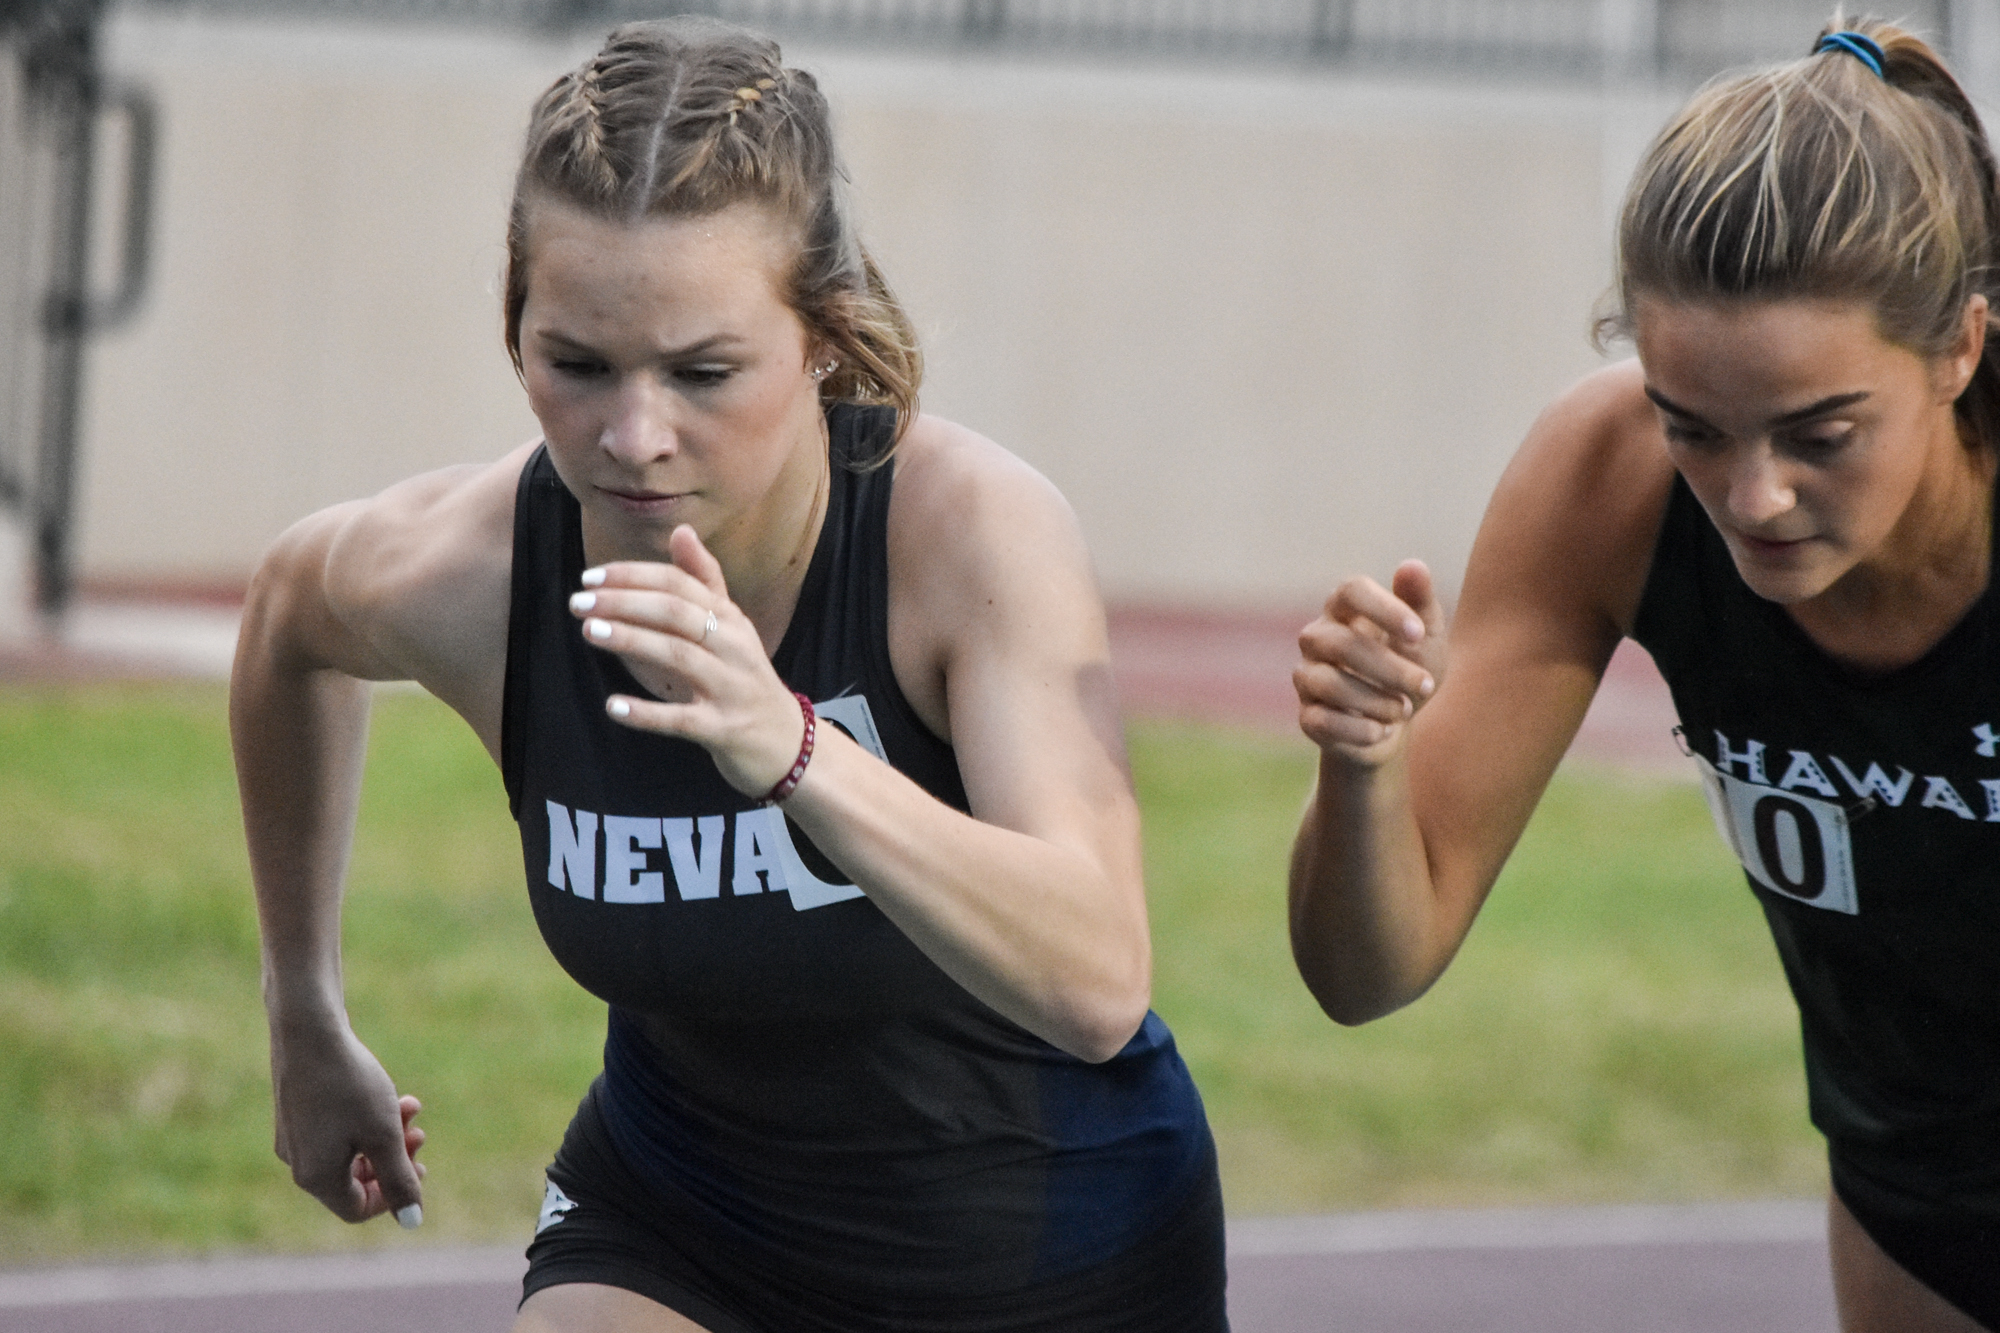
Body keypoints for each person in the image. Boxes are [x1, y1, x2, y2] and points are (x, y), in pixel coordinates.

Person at [230, 17, 1225, 1333]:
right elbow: (287, 623)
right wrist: (304, 1010)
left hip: (1047, 1253)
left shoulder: (965, 536)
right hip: (686, 1216)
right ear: (516, 324)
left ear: (824, 336)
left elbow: (1097, 979)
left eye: (704, 372)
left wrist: (797, 751)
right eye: (577, 364)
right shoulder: (480, 573)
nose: (633, 436)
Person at [1288, 18, 2000, 1333]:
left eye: (1821, 435)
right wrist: (1362, 766)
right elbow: (1366, 972)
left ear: (1960, 348)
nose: (1754, 495)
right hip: (1914, 1192)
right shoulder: (1608, 477)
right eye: (1697, 428)